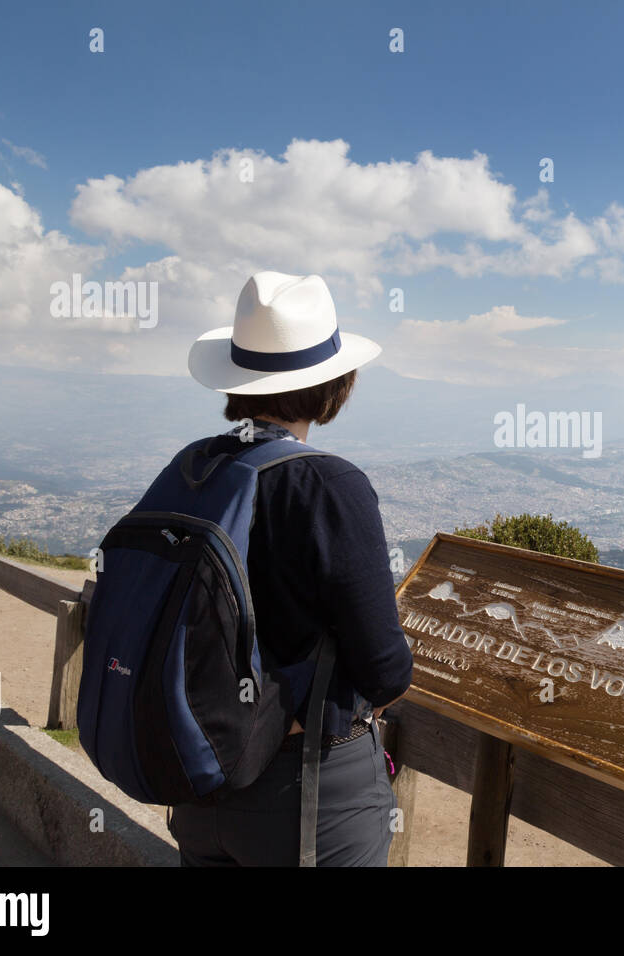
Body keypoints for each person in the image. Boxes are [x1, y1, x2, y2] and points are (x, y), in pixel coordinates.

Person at [166, 270, 414, 866]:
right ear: (337, 384)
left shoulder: (192, 468)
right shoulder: (329, 484)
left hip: (199, 776)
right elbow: (384, 668)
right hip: (307, 792)